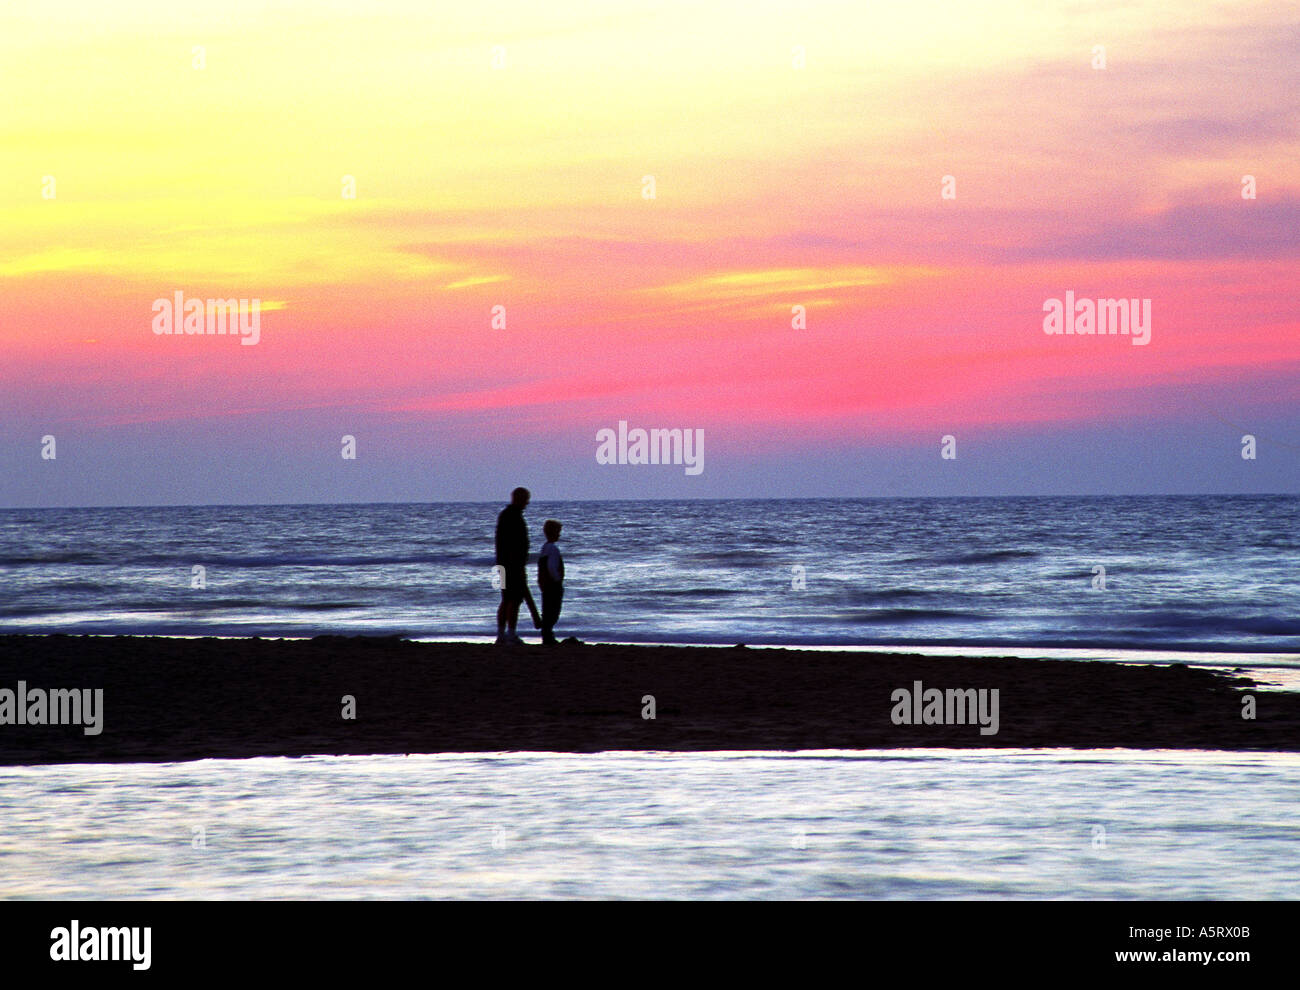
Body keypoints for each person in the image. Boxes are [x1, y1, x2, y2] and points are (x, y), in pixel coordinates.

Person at [495, 487, 531, 645]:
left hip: (502, 564)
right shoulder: (514, 517)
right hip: (513, 565)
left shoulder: (505, 515)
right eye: (525, 499)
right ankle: (511, 634)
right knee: (514, 600)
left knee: (505, 599)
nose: (527, 503)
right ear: (518, 499)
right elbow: (515, 544)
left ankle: (501, 634)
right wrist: (519, 565)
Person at [537, 519, 564, 646]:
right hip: (553, 585)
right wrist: (557, 580)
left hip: (545, 585)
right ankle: (548, 635)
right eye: (558, 532)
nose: (559, 535)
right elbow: (552, 567)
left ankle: (546, 634)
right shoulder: (553, 549)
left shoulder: (544, 548)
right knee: (553, 611)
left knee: (547, 610)